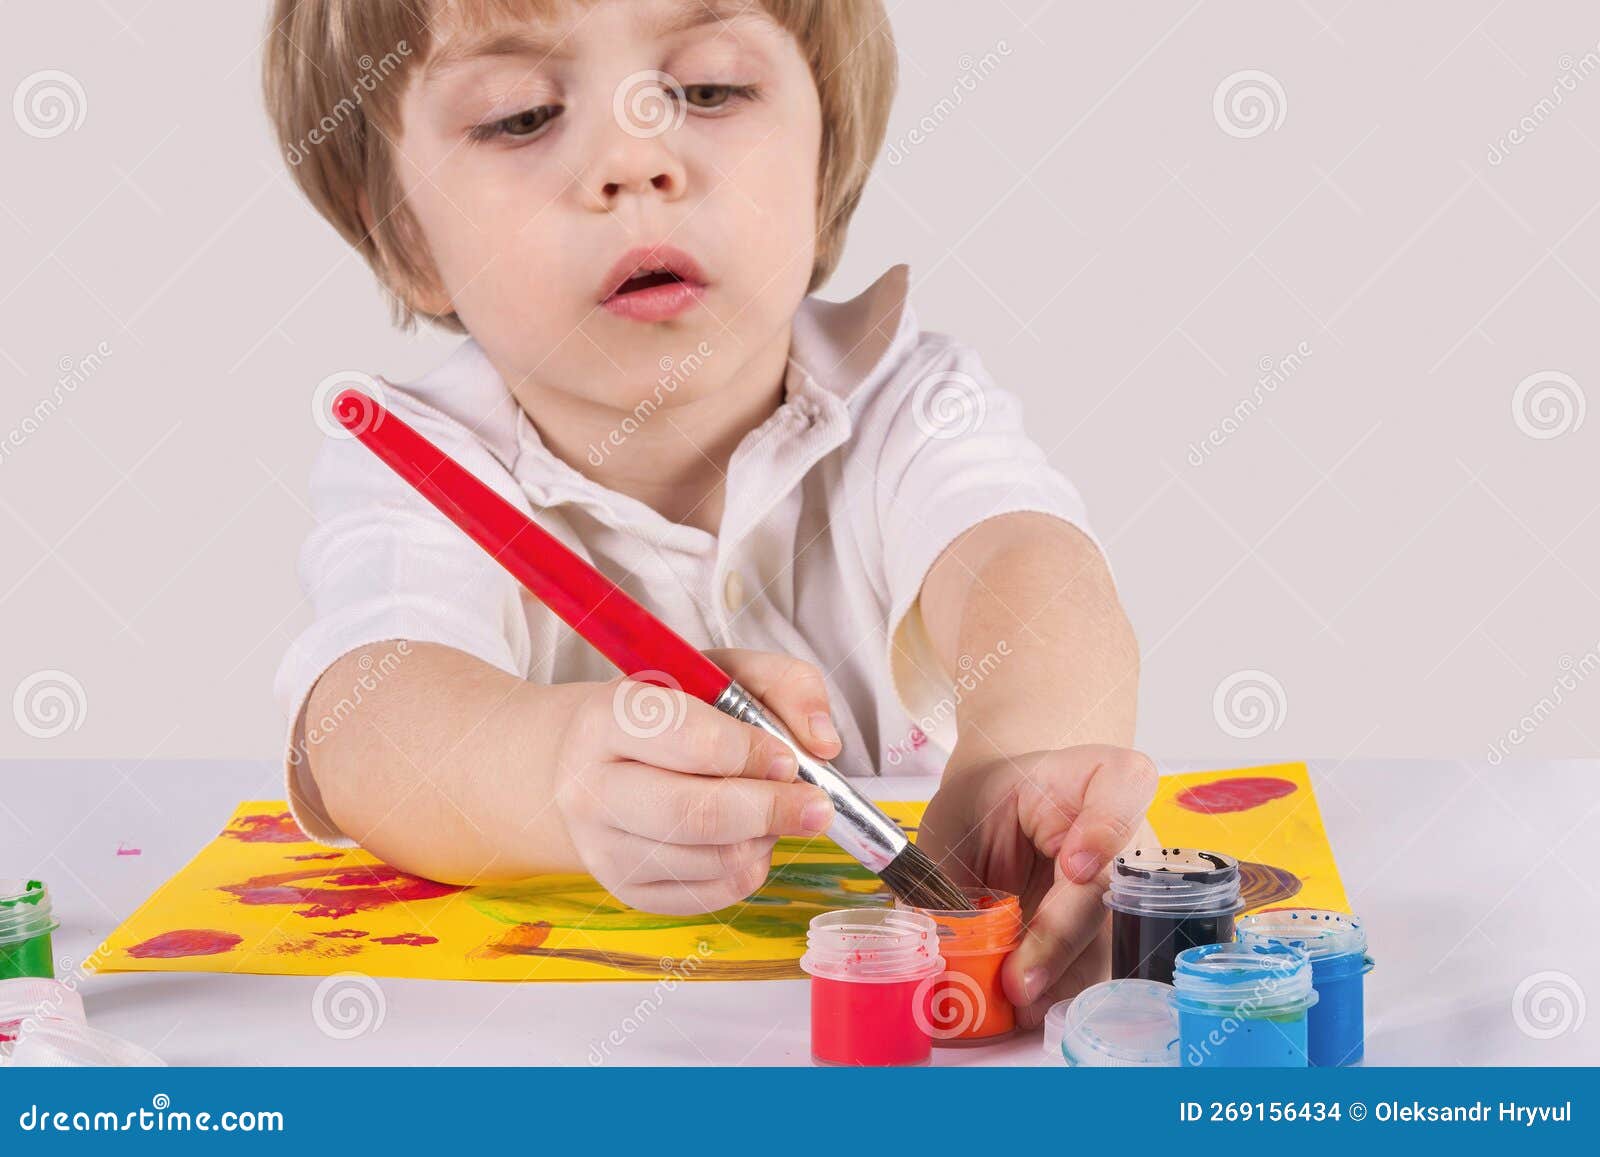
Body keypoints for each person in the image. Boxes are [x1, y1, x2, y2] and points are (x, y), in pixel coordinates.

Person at [265, 0, 1156, 1026]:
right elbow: (365, 722)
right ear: (407, 239)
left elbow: (1033, 569)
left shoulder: (906, 397)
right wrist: (563, 771)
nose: (634, 161)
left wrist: (1026, 753)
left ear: (822, 173)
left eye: (709, 90)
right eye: (520, 116)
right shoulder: (416, 463)